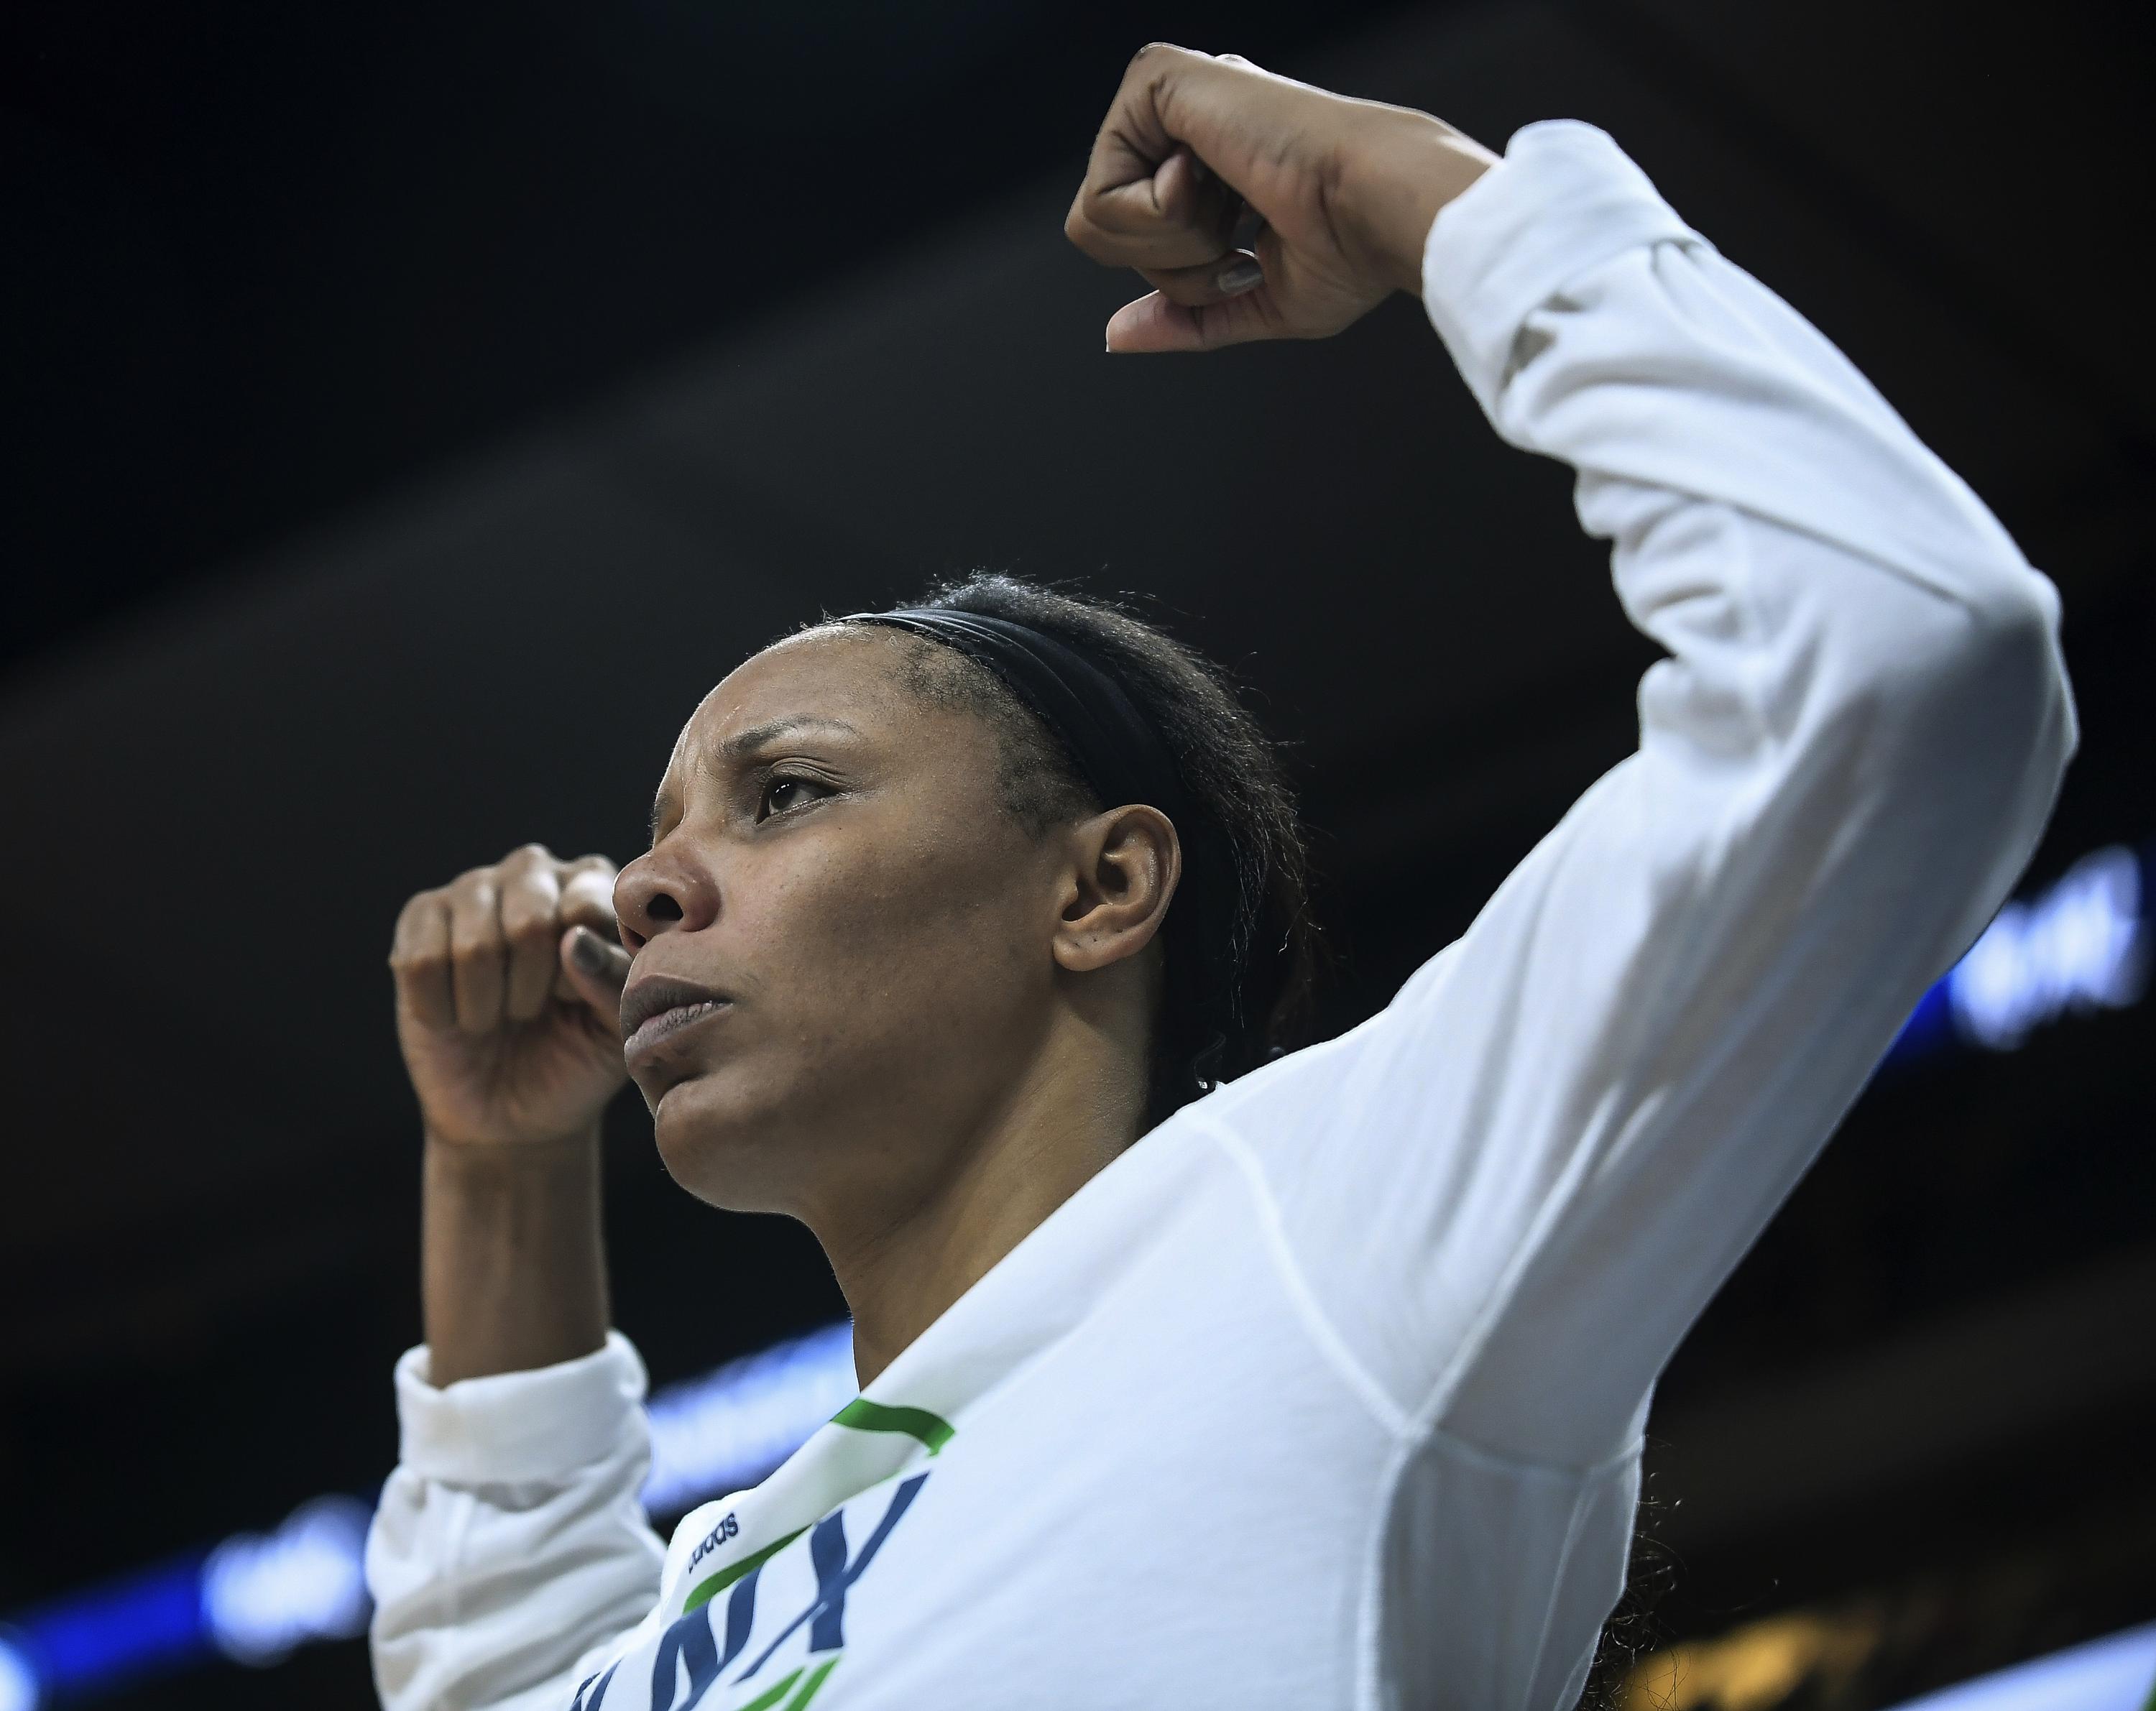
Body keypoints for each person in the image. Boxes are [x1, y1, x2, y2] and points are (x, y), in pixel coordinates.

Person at [367, 45, 2075, 1711]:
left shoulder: (1327, 1233)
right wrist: (504, 1169)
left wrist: (1429, 204)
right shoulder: (745, 1575)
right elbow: (510, 1679)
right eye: (660, 831)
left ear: (1102, 889)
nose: (653, 885)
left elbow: (1895, 655)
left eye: (786, 795)